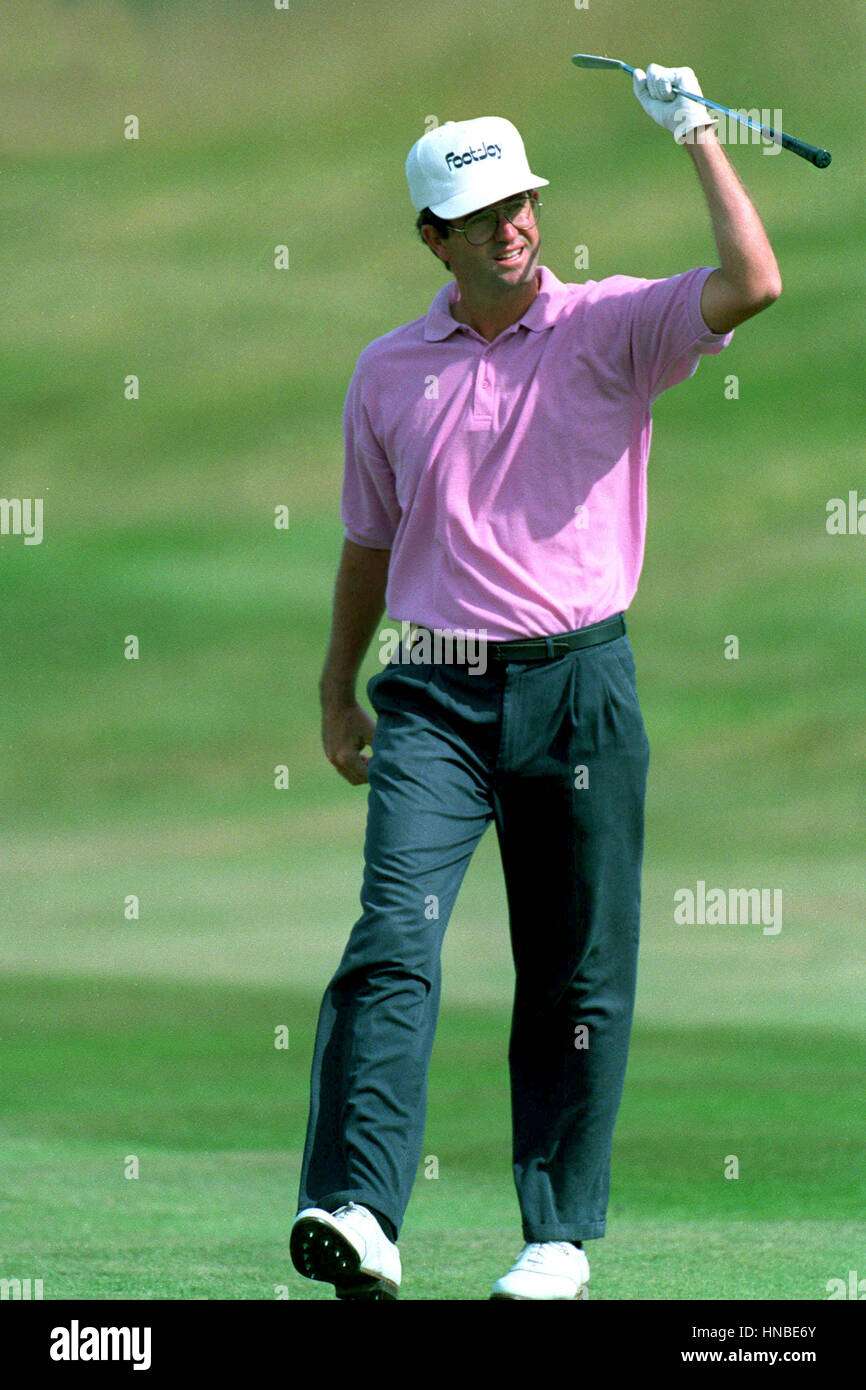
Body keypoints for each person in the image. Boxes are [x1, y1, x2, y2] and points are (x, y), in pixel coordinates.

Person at [290, 63, 781, 1300]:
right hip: (434, 693)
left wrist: (697, 137)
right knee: (391, 938)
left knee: (573, 967)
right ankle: (356, 1210)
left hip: (579, 686)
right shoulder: (386, 372)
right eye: (484, 211)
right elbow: (366, 540)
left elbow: (754, 283)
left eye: (523, 201)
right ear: (432, 237)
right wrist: (337, 686)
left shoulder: (607, 323)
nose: (513, 223)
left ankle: (555, 1236)